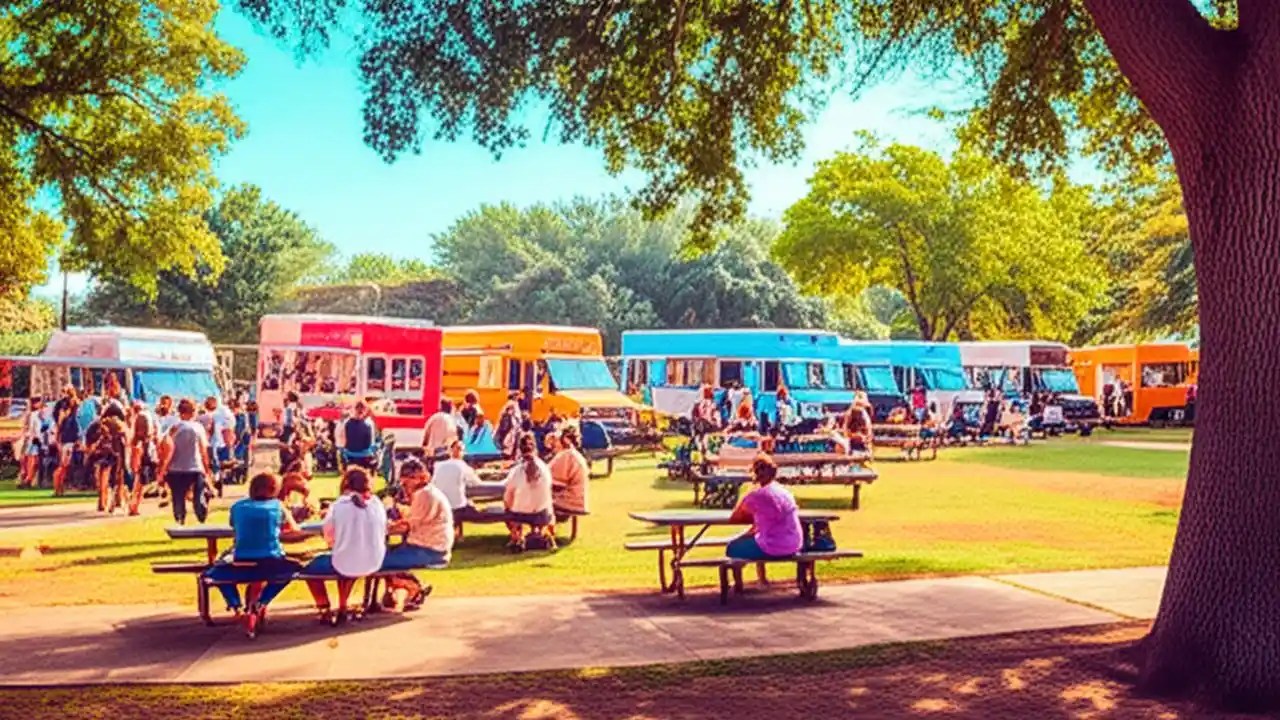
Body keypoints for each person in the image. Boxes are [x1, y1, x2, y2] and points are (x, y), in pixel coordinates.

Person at [204, 472, 304, 637]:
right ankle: (260, 603)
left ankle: (236, 607)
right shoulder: (278, 507)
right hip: (271, 562)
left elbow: (234, 526)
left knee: (216, 572)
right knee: (295, 569)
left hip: (242, 560)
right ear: (274, 490)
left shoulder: (237, 507)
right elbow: (294, 530)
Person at [303, 466, 388, 624]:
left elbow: (328, 534)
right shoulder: (377, 504)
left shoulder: (339, 505)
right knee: (349, 558)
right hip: (374, 561)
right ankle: (343, 604)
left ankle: (324, 607)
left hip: (346, 561)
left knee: (306, 567)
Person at [382, 458, 453, 611]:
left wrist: (384, 528)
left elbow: (407, 525)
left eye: (406, 483)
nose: (404, 488)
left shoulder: (424, 494)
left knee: (378, 561)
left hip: (429, 549)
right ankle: (403, 590)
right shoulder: (427, 492)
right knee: (384, 556)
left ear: (419, 478)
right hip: (429, 546)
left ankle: (414, 588)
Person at [725, 455, 803, 560]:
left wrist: (748, 490)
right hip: (794, 545)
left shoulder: (755, 495)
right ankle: (760, 576)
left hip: (772, 547)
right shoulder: (785, 492)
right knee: (752, 541)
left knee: (732, 548)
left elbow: (735, 517)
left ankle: (734, 576)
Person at [160, 398, 214, 525]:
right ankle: (201, 513)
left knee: (178, 497)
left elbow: (166, 447)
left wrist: (163, 468)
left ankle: (180, 519)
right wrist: (207, 468)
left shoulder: (173, 428)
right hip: (195, 467)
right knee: (198, 494)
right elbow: (203, 450)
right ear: (193, 412)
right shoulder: (198, 428)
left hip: (175, 468)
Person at [502, 432, 555, 552]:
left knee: (507, 509)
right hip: (542, 513)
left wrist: (508, 507)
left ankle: (516, 537)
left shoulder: (516, 471)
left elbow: (508, 496)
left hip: (520, 514)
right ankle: (539, 535)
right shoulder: (545, 469)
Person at [432, 439, 494, 523]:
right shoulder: (463, 466)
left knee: (468, 504)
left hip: (440, 507)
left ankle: (457, 531)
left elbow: (433, 483)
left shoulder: (438, 465)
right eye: (460, 449)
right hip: (458, 508)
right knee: (480, 513)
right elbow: (477, 483)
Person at [549, 425, 589, 517]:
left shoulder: (566, 455)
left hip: (569, 501)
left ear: (566, 439)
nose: (554, 443)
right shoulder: (573, 454)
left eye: (557, 440)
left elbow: (558, 484)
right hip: (577, 500)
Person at [126, 400, 157, 515]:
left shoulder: (137, 419)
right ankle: (133, 505)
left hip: (141, 451)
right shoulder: (143, 417)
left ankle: (133, 505)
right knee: (140, 481)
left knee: (139, 481)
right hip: (143, 453)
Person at [52, 396, 81, 497]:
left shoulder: (65, 420)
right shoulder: (71, 419)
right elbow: (76, 433)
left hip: (65, 444)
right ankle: (57, 488)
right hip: (68, 445)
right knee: (63, 466)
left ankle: (59, 488)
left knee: (64, 467)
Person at [338, 400, 379, 469]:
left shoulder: (347, 423)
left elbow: (343, 441)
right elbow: (371, 442)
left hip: (352, 456)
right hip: (363, 456)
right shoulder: (369, 424)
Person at [18, 397, 43, 488]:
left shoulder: (36, 414)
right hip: (33, 439)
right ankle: (27, 479)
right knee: (32, 460)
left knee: (32, 460)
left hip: (33, 439)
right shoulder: (33, 415)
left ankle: (28, 479)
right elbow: (33, 428)